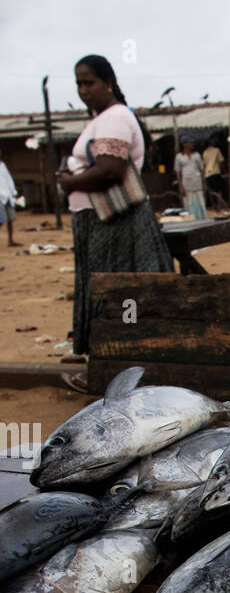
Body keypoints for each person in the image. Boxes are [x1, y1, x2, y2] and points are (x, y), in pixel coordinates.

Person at [58, 54, 171, 362]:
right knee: (111, 291)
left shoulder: (115, 117)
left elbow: (110, 170)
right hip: (100, 223)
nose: (83, 90)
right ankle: (110, 359)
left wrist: (71, 183)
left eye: (89, 82)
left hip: (115, 224)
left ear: (108, 83)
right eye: (79, 84)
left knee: (118, 290)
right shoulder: (101, 119)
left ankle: (122, 359)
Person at [174, 139, 206, 220]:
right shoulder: (179, 157)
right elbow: (178, 172)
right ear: (184, 144)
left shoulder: (197, 155)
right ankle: (191, 219)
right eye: (189, 142)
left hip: (197, 183)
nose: (191, 144)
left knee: (200, 201)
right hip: (186, 184)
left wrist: (204, 183)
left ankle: (201, 219)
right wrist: (180, 186)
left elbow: (202, 169)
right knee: (188, 202)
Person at [0, 151, 20, 246]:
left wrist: (13, 192)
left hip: (7, 195)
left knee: (10, 219)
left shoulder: (3, 165)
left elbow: (8, 179)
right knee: (1, 220)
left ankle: (10, 240)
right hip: (0, 197)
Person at [202, 137, 226, 207]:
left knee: (211, 192)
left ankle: (213, 206)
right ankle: (219, 205)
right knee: (219, 190)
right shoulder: (216, 150)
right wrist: (224, 171)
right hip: (216, 172)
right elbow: (221, 162)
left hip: (208, 174)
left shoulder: (205, 153)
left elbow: (204, 164)